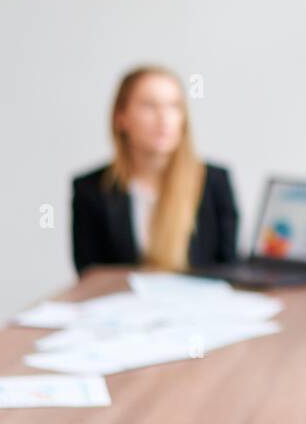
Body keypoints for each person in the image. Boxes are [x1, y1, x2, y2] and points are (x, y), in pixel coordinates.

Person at [72, 66, 237, 274]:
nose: (164, 119)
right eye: (149, 106)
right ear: (121, 118)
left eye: (174, 106)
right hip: (123, 304)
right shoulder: (91, 189)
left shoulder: (214, 182)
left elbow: (228, 268)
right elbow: (90, 275)